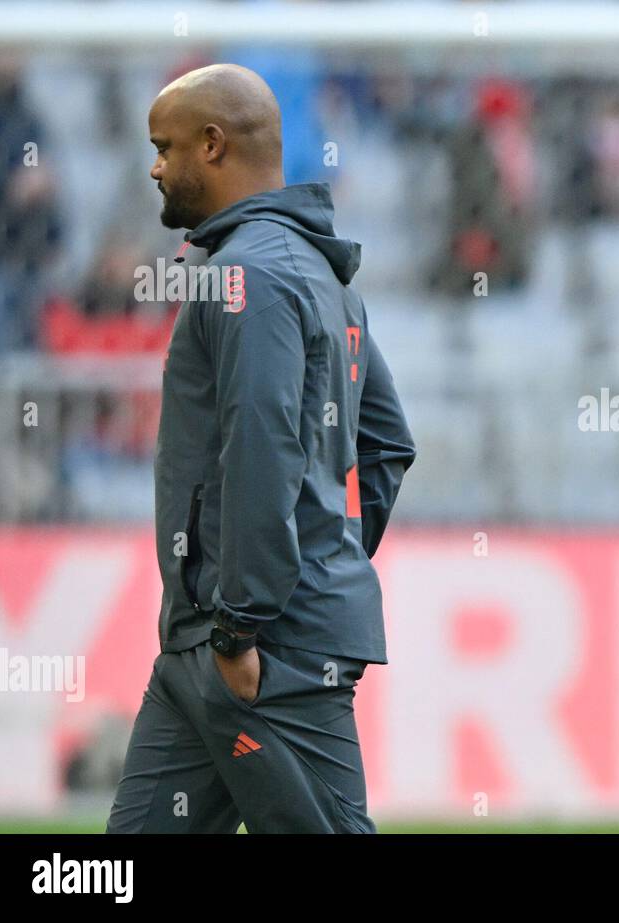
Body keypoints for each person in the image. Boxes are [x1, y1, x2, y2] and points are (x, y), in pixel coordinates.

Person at [107, 64, 416, 833]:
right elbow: (386, 443)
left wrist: (247, 620)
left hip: (259, 650)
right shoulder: (318, 274)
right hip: (206, 646)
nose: (154, 166)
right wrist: (326, 559)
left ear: (212, 145)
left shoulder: (252, 275)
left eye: (164, 147)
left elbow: (264, 446)